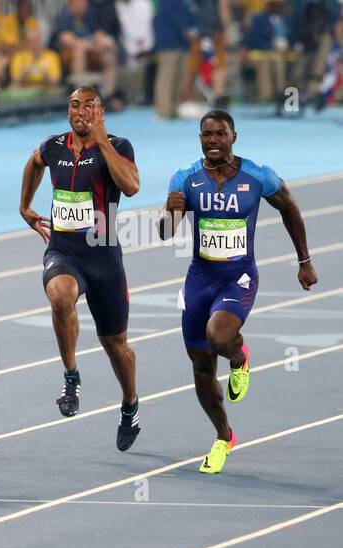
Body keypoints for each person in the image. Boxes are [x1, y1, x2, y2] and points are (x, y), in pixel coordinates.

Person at [159, 110, 317, 474]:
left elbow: (289, 208)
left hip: (238, 277)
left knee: (219, 337)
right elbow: (166, 233)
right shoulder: (185, 179)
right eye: (205, 135)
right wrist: (169, 215)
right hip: (199, 280)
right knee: (200, 367)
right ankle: (223, 437)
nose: (211, 140)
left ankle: (239, 357)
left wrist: (304, 260)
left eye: (219, 134)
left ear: (234, 136)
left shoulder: (258, 176)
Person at [18, 87, 142, 451]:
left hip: (103, 255)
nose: (81, 111)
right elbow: (33, 163)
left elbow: (132, 187)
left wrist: (102, 141)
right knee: (60, 296)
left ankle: (130, 403)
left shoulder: (119, 146)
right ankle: (71, 375)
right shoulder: (54, 145)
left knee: (116, 345)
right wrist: (25, 206)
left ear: (101, 111)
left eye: (89, 105)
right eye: (75, 105)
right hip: (64, 250)